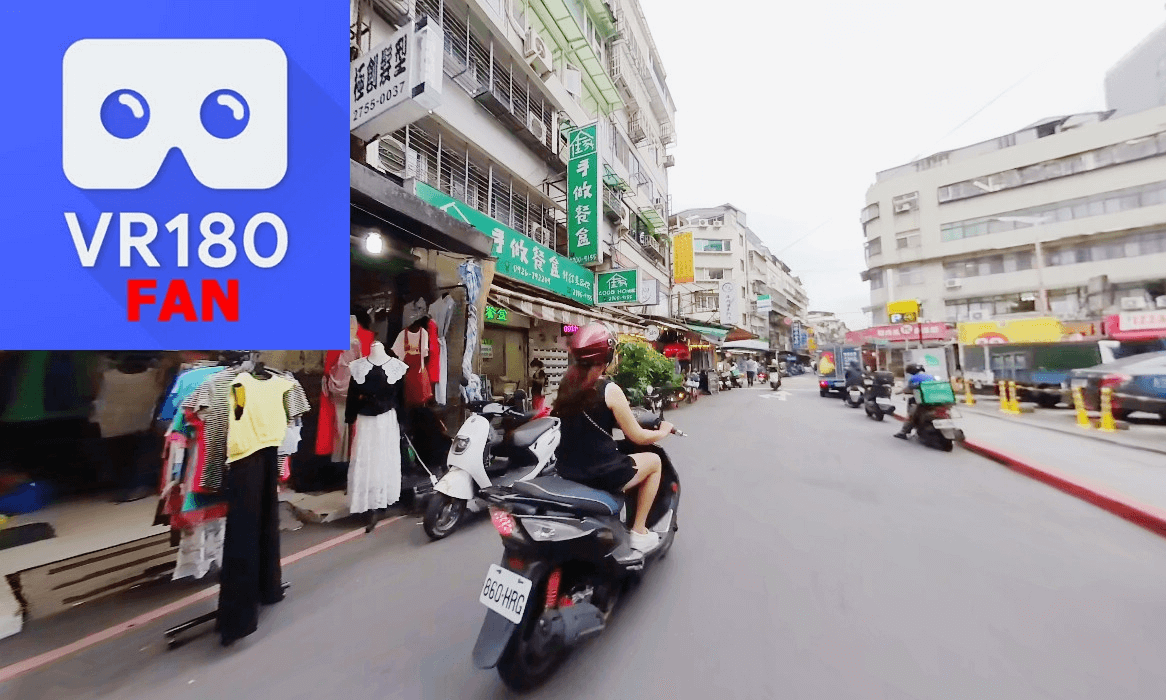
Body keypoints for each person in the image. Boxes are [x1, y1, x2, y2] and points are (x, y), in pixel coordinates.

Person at [552, 324, 674, 553]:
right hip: (599, 472)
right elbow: (638, 436)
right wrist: (663, 431)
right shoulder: (609, 389)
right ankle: (639, 531)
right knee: (654, 461)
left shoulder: (566, 385)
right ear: (606, 356)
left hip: (567, 468)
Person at [894, 363, 937, 440]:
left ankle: (903, 432)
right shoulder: (930, 376)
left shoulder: (913, 378)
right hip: (936, 399)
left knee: (911, 415)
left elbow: (908, 389)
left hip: (924, 401)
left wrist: (898, 392)